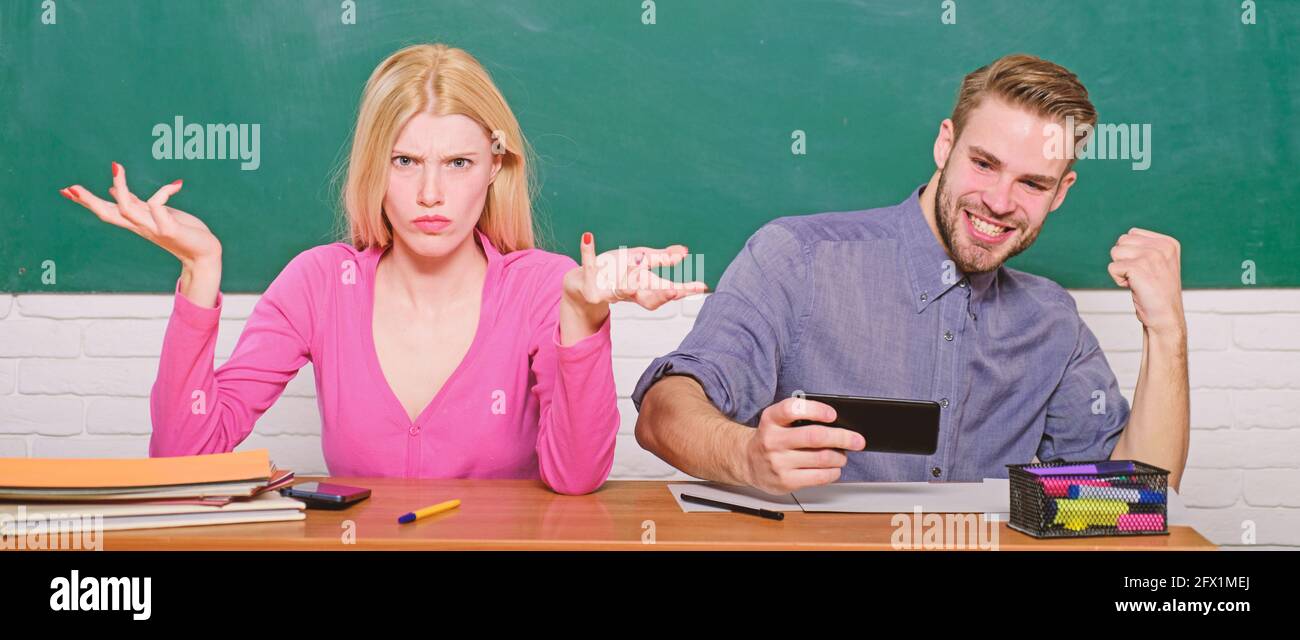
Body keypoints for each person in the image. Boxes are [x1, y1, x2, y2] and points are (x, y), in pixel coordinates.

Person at [60, 43, 704, 495]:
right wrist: (201, 273)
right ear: (375, 167)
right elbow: (183, 459)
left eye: (458, 163)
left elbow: (577, 478)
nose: (430, 194)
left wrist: (582, 318)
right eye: (405, 162)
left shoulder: (542, 286)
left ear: (494, 167)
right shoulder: (320, 283)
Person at [632, 54, 1189, 494]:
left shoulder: (1052, 321)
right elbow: (662, 413)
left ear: (1060, 192)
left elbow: (1136, 499)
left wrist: (1167, 332)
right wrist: (746, 456)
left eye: (1032, 183)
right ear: (945, 144)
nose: (999, 202)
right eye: (984, 163)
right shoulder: (797, 259)